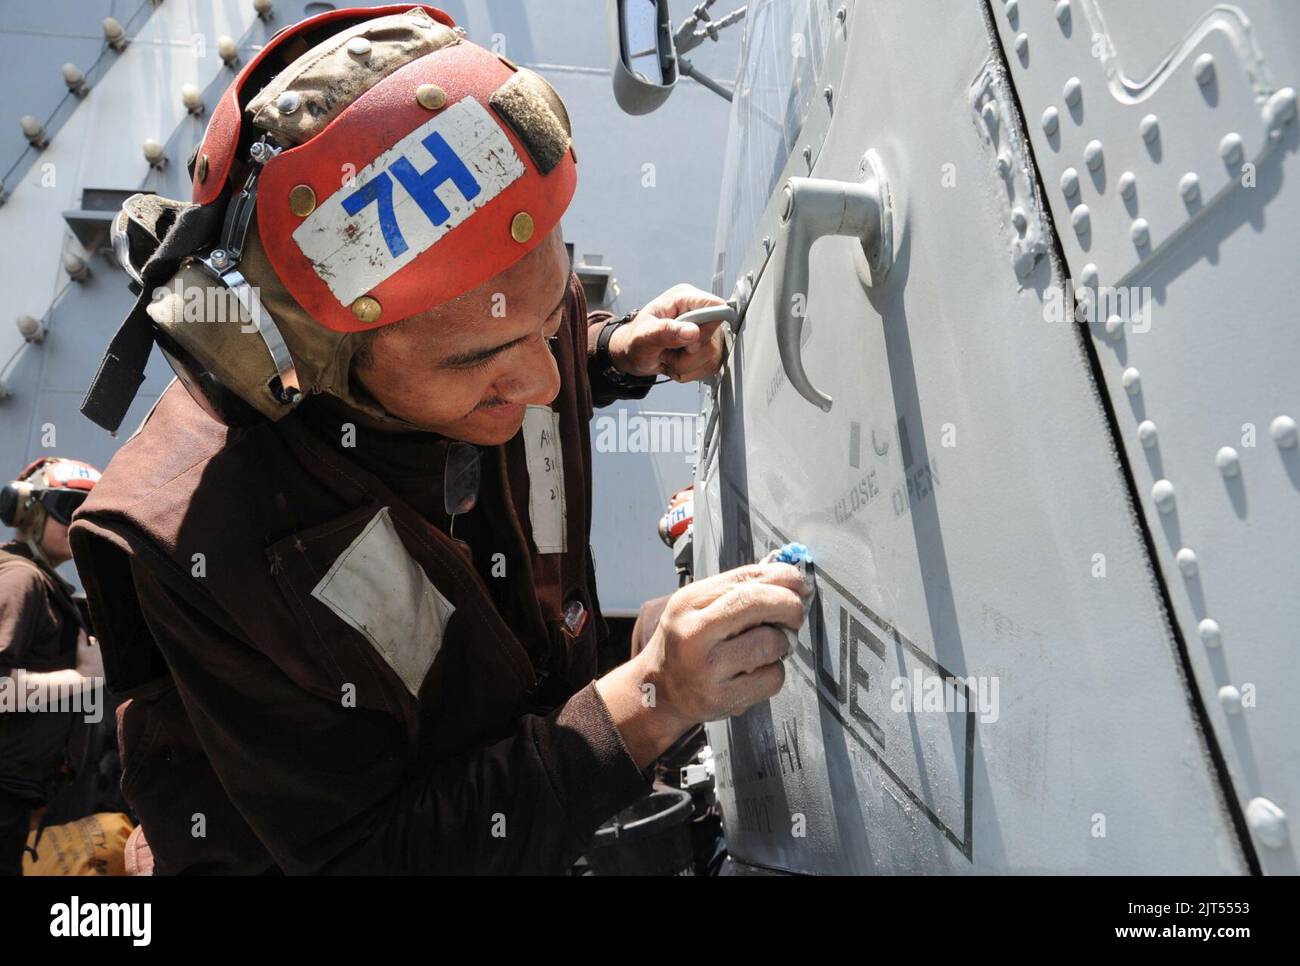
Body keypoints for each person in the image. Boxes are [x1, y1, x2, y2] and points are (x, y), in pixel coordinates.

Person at [70, 4, 808, 874]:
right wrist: (649, 699)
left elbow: (521, 342)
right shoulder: (204, 542)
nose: (545, 383)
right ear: (309, 358)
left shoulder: (499, 316)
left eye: (550, 314)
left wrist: (612, 349)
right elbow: (370, 855)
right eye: (485, 361)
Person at [0, 457, 103, 875]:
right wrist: (82, 679)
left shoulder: (39, 582)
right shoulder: (20, 579)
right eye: (67, 508)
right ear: (28, 509)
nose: (78, 523)